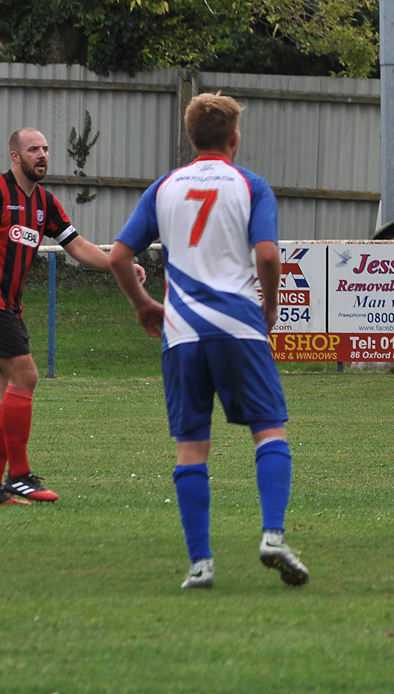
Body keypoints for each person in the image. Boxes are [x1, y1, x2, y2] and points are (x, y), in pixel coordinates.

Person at [107, 92, 307, 589]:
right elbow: (267, 256)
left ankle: (201, 564)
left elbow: (117, 256)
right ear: (234, 138)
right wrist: (271, 306)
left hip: (181, 332)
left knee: (192, 447)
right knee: (268, 428)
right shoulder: (251, 184)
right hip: (238, 326)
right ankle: (273, 535)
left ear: (191, 137)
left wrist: (143, 306)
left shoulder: (164, 187)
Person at [0, 127, 144, 505]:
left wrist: (119, 264)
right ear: (15, 156)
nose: (42, 155)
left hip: (10, 307)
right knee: (26, 374)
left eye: (45, 149)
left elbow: (76, 246)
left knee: (5, 392)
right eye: (33, 149)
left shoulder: (44, 203)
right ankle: (18, 477)